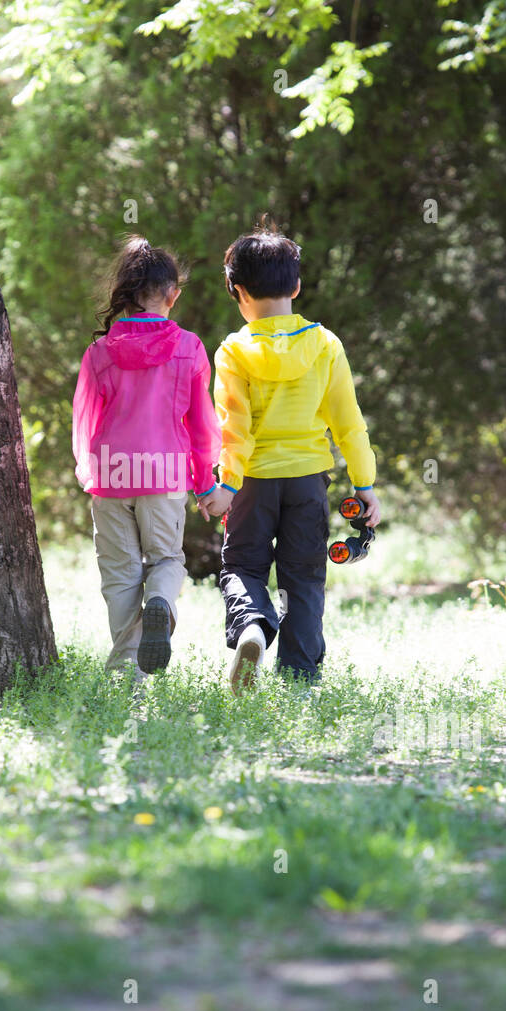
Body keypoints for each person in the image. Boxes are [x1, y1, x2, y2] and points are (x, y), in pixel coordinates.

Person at [200, 226, 381, 691]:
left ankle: (253, 627)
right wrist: (364, 485)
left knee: (243, 566)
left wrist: (226, 485)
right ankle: (300, 676)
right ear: (296, 287)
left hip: (253, 483)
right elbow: (349, 423)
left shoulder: (234, 350)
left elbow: (233, 429)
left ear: (238, 292)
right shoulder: (325, 345)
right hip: (307, 481)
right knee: (303, 577)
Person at [72, 236, 221, 677]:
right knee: (166, 562)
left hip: (112, 476)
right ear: (172, 294)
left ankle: (124, 675)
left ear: (127, 292)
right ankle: (160, 603)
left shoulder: (100, 351)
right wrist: (205, 481)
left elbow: (85, 421)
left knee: (119, 576)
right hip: (165, 475)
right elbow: (201, 424)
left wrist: (90, 470)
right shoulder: (189, 348)